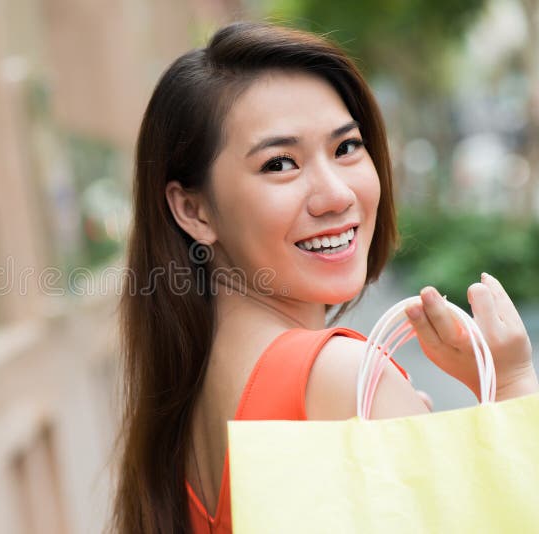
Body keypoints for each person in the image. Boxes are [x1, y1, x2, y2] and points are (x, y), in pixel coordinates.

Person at [111, 20, 539, 534]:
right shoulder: (341, 377)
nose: (336, 195)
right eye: (280, 164)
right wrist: (513, 384)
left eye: (345, 147)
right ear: (193, 210)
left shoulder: (187, 392)